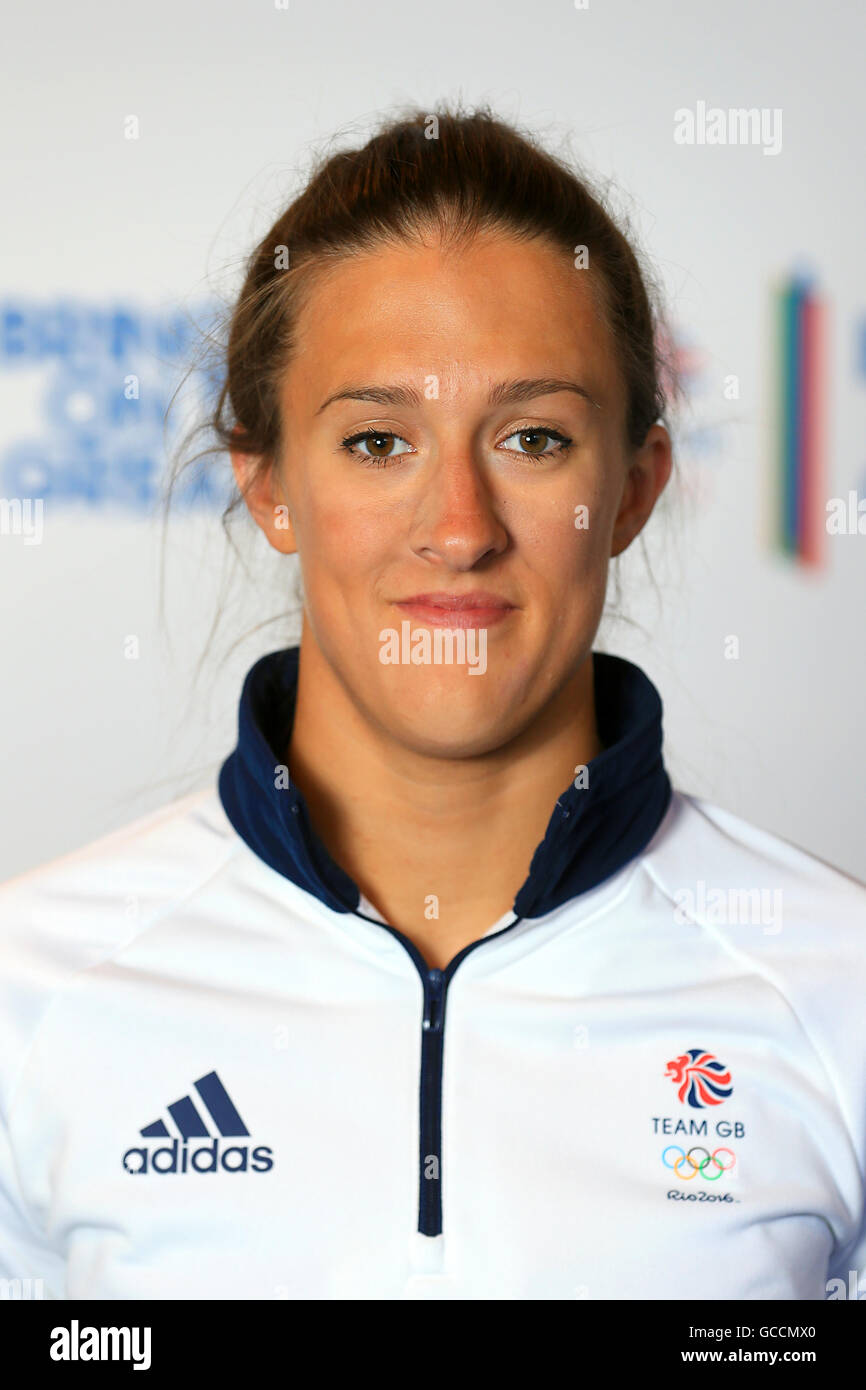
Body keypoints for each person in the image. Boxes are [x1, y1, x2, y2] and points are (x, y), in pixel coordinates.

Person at [1, 106, 864, 1302]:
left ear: (631, 487)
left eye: (531, 436)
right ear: (268, 487)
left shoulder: (835, 987)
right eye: (374, 443)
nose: (458, 529)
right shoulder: (30, 988)